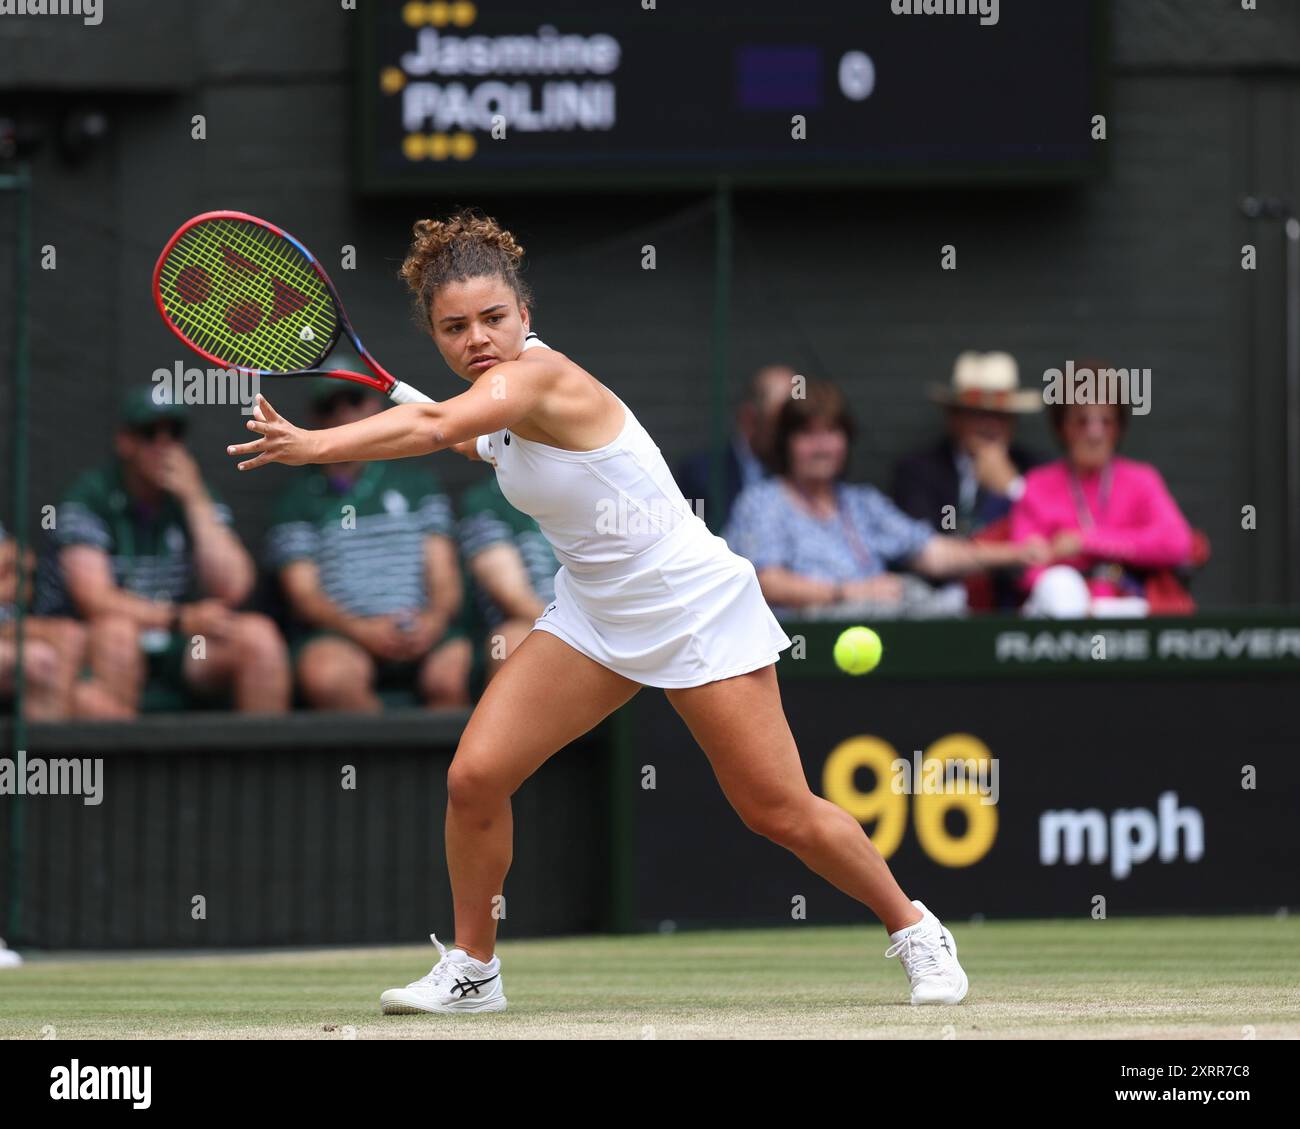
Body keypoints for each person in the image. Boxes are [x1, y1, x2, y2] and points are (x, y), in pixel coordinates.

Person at [225, 209, 971, 1013]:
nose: (476, 338)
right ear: (436, 334)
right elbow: (469, 437)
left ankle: (915, 927)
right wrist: (450, 426)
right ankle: (474, 967)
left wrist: (316, 445)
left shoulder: (542, 378)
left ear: (525, 315)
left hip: (690, 607)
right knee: (476, 776)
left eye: (493, 319)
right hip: (592, 617)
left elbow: (439, 422)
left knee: (777, 810)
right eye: (454, 327)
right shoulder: (503, 402)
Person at [724, 380, 1048, 618]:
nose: (822, 447)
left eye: (831, 433)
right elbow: (766, 582)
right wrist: (849, 593)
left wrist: (1016, 553)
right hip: (796, 653)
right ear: (786, 444)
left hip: (877, 639)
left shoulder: (861, 502)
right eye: (808, 435)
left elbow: (932, 553)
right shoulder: (762, 502)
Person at [57, 388, 290, 716]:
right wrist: (177, 619)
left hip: (181, 642)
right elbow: (93, 599)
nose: (164, 447)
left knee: (259, 638)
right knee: (117, 634)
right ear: (126, 442)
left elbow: (234, 586)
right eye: (151, 434)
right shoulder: (91, 496)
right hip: (110, 637)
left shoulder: (193, 493)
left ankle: (265, 766)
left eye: (174, 434)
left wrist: (195, 500)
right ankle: (128, 764)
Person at [265, 380, 471, 711]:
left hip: (423, 628)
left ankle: (448, 765)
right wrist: (361, 630)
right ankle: (386, 765)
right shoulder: (297, 499)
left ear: (374, 406)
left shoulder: (416, 483)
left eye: (353, 400)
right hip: (342, 635)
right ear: (315, 418)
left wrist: (433, 621)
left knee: (452, 675)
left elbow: (444, 573)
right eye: (329, 407)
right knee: (329, 677)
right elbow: (303, 595)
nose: (343, 413)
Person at [1011, 398, 1195, 616]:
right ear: (1062, 428)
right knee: (1059, 585)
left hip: (1127, 603)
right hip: (1060, 610)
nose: (1095, 434)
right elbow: (1028, 567)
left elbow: (1176, 543)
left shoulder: (1141, 479)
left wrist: (1086, 542)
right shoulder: (1038, 484)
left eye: (1106, 422)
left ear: (1118, 429)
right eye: (1082, 422)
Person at [893, 351, 1045, 536]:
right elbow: (919, 541)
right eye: (978, 414)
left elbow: (1052, 531)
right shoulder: (918, 471)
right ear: (954, 417)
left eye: (1001, 415)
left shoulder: (1034, 468)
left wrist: (1014, 488)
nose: (991, 425)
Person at [457, 474, 559, 683]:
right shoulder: (486, 499)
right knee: (510, 643)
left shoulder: (586, 489)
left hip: (589, 617)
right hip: (530, 622)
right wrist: (572, 629)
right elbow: (512, 597)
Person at [675, 364, 793, 530]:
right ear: (749, 419)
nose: (792, 435)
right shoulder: (700, 475)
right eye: (782, 424)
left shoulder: (806, 475)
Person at [0, 520, 88, 721]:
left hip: (9, 625)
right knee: (39, 661)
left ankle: (56, 745)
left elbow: (23, 566)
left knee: (69, 635)